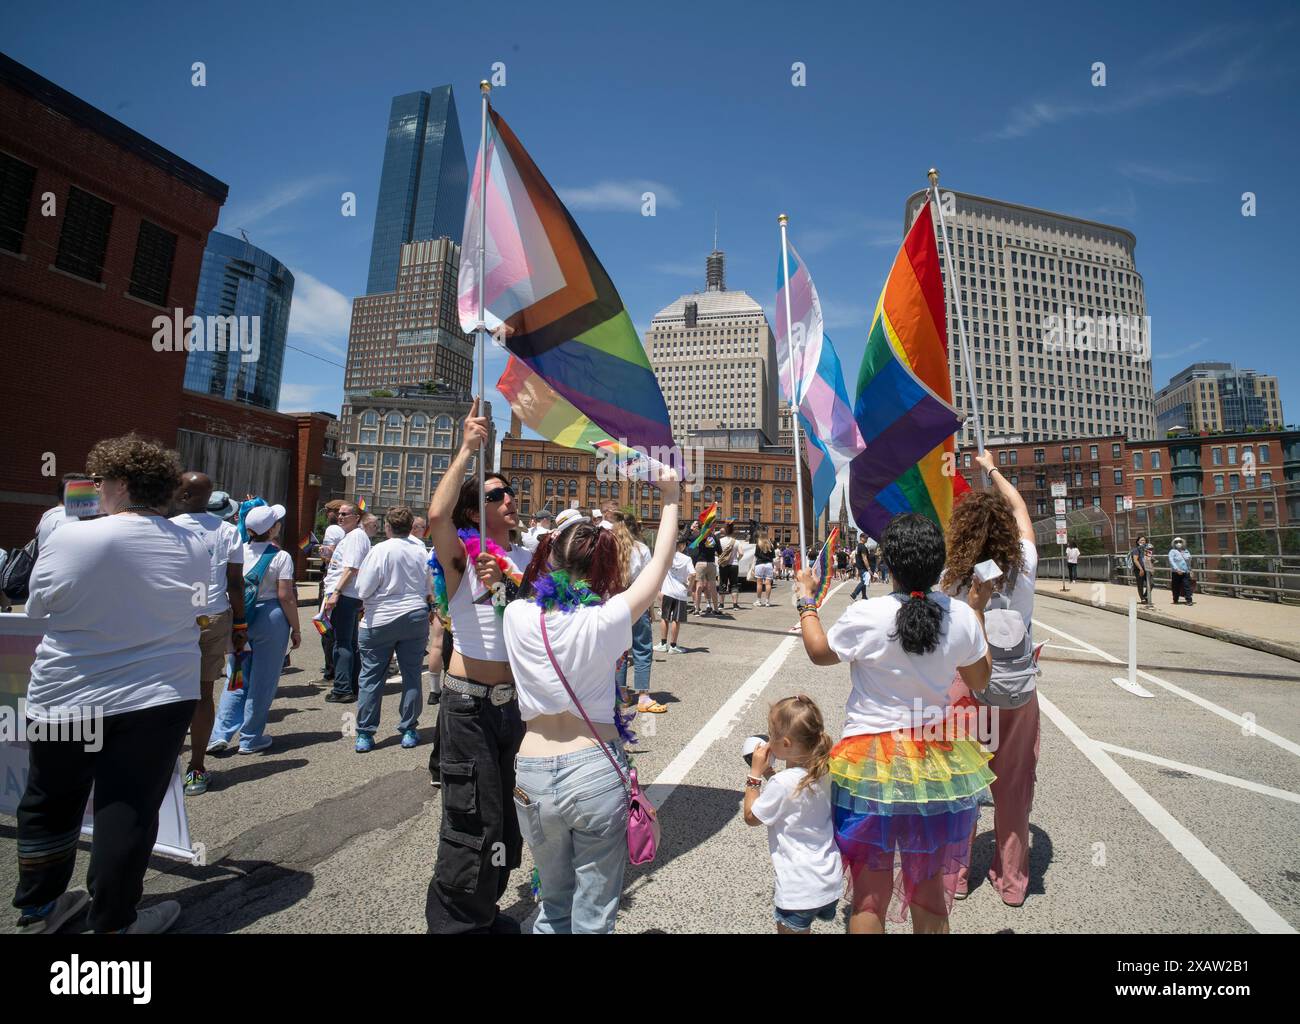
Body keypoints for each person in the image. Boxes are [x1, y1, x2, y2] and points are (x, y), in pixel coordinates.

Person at [13, 434, 208, 934]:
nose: (91, 488)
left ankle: (39, 910)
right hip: (158, 697)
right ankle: (112, 923)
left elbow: (37, 608)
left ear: (119, 484)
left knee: (50, 801)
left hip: (66, 697)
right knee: (129, 809)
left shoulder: (69, 534)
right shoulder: (196, 543)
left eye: (98, 481)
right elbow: (200, 609)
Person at [792, 512, 995, 933]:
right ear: (938, 563)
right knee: (928, 890)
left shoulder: (867, 614)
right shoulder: (959, 616)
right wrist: (977, 612)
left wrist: (806, 599)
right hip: (935, 761)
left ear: (888, 562)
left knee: (869, 898)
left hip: (869, 762)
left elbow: (818, 652)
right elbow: (980, 680)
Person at [505, 468, 681, 933]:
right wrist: (670, 496)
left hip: (532, 770)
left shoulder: (516, 616)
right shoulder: (606, 620)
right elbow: (659, 566)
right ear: (603, 565)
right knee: (594, 912)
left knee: (553, 904)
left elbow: (521, 583)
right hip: (593, 767)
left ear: (548, 557)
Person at [424, 398, 533, 934]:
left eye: (510, 490)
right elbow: (436, 516)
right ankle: (456, 927)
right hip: (468, 706)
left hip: (518, 708)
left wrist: (515, 579)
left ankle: (486, 913)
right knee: (472, 819)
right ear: (475, 513)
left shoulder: (530, 559)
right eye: (496, 495)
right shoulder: (462, 557)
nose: (509, 498)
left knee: (508, 816)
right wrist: (468, 448)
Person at [942, 448, 1040, 907]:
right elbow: (1019, 506)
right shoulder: (1025, 561)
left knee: (963, 781)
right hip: (1018, 690)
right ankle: (1013, 882)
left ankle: (955, 876)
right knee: (1014, 787)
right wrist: (991, 469)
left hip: (969, 688)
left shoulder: (957, 576)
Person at [170, 472, 246, 795]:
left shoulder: (166, 527)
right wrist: (241, 625)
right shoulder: (229, 531)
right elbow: (235, 583)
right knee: (203, 693)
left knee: (169, 694)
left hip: (173, 616)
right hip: (213, 616)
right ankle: (196, 769)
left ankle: (162, 768)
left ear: (183, 495)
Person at [742, 695, 842, 933]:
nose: (768, 740)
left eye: (771, 734)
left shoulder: (782, 783)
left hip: (799, 886)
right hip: (828, 878)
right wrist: (770, 774)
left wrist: (755, 775)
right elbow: (794, 793)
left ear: (785, 744)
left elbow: (751, 817)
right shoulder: (824, 770)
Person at [210, 504, 298, 755]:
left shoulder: (239, 552)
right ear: (272, 529)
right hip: (271, 617)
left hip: (241, 617)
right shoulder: (280, 556)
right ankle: (250, 737)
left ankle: (220, 734)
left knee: (236, 678)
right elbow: (286, 596)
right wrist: (296, 628)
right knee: (263, 680)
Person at [353, 507, 431, 752]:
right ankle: (409, 728)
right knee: (412, 673)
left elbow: (363, 589)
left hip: (381, 618)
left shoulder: (379, 550)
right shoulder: (421, 552)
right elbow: (430, 586)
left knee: (371, 676)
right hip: (415, 615)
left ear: (387, 527)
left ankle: (365, 733)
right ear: (411, 527)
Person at [608, 512, 663, 714]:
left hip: (615, 602)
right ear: (635, 529)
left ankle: (621, 693)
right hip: (637, 600)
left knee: (619, 650)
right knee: (642, 647)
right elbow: (649, 580)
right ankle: (643, 695)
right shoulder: (641, 549)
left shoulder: (610, 548)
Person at [322, 503, 369, 703]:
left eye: (345, 514)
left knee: (342, 642)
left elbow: (351, 568)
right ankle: (351, 684)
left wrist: (337, 593)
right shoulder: (351, 537)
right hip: (346, 595)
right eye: (339, 514)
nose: (340, 517)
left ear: (357, 517)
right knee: (349, 642)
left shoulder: (356, 537)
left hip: (345, 595)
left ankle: (342, 688)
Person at [316, 500, 347, 685]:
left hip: (331, 582)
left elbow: (327, 555)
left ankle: (330, 671)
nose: (326, 515)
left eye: (328, 511)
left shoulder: (332, 530)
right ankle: (337, 666)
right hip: (345, 585)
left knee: (325, 627)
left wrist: (322, 552)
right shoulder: (352, 531)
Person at [656, 533, 694, 653]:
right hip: (680, 593)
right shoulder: (687, 559)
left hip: (667, 590)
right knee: (676, 620)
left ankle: (663, 644)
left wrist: (658, 589)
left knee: (664, 617)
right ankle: (673, 646)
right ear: (682, 545)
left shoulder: (668, 556)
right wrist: (689, 587)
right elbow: (693, 574)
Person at [692, 526, 721, 615]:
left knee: (699, 587)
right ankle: (716, 609)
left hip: (700, 563)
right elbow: (720, 551)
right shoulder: (714, 537)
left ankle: (697, 609)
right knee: (713, 588)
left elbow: (692, 547)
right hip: (711, 563)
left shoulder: (699, 537)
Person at [718, 521, 741, 611]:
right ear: (733, 531)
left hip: (723, 565)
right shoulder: (736, 542)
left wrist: (721, 558)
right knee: (734, 584)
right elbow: (741, 553)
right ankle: (735, 605)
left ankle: (721, 605)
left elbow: (716, 552)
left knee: (723, 583)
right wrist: (737, 559)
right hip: (734, 565)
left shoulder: (720, 541)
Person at [1168, 537, 1194, 606]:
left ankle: (1189, 600)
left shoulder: (1186, 551)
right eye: (1176, 542)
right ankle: (1175, 599)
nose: (1178, 543)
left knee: (1187, 586)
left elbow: (1188, 562)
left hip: (1185, 572)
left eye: (1180, 541)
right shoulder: (1172, 551)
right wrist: (1177, 569)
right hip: (1176, 572)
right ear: (1174, 543)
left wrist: (1190, 570)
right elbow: (1171, 561)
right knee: (1176, 586)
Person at [752, 533, 776, 607]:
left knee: (759, 583)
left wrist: (753, 566)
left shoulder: (758, 544)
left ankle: (758, 601)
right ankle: (767, 601)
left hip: (759, 564)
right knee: (768, 583)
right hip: (768, 564)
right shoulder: (770, 545)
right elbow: (773, 557)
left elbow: (756, 556)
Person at [1129, 534, 1150, 606]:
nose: (1143, 541)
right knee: (1140, 584)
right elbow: (1135, 560)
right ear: (1138, 542)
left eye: (1144, 540)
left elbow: (1149, 559)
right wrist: (1141, 569)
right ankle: (1142, 598)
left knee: (1151, 583)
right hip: (1139, 569)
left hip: (1147, 569)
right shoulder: (1136, 550)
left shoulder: (1147, 550)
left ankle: (1145, 595)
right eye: (1141, 540)